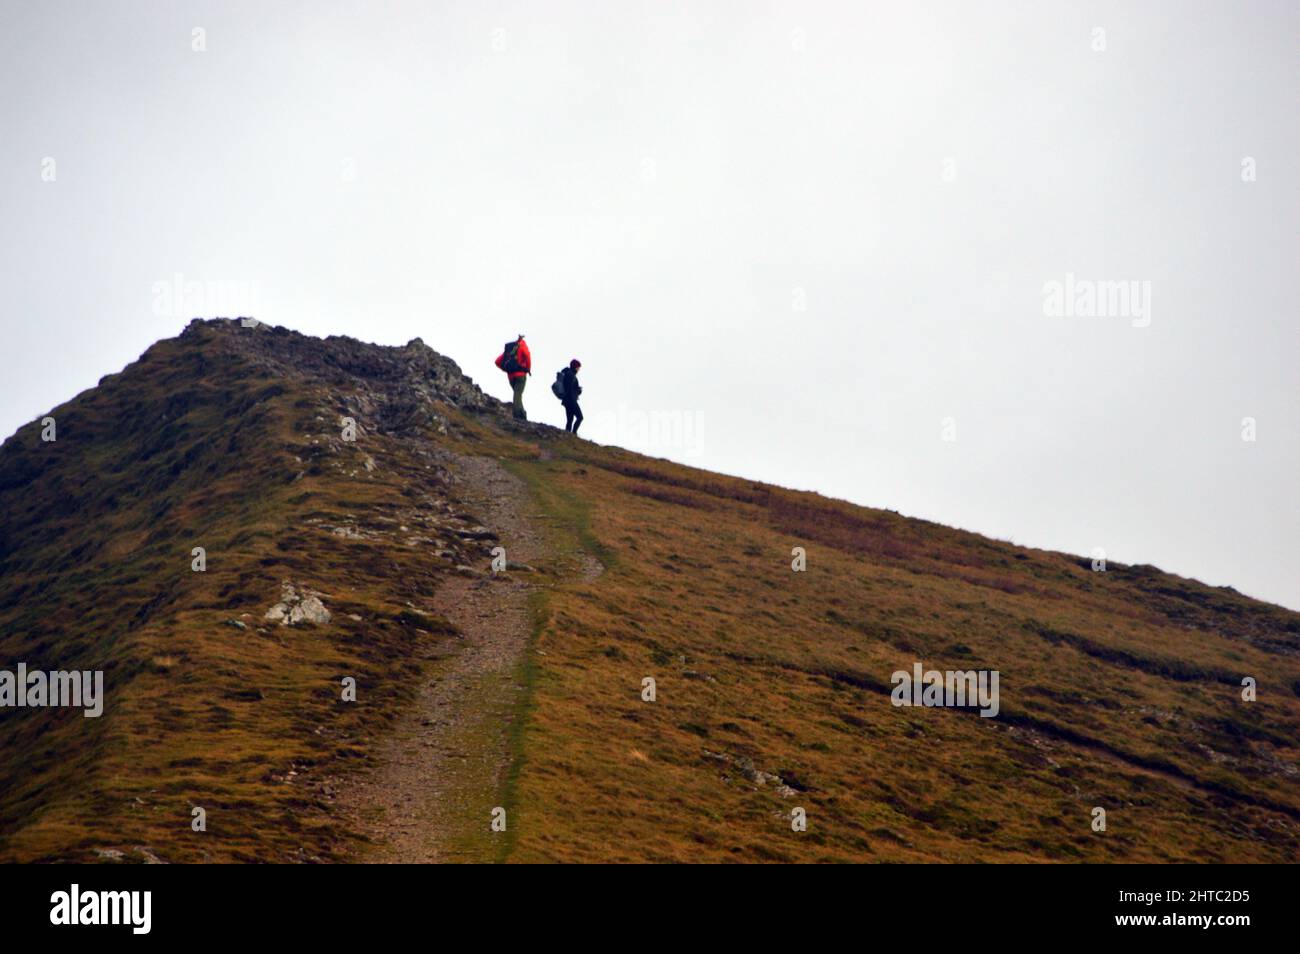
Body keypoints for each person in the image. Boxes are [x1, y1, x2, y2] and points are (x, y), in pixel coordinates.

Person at [495, 334, 531, 420]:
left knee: (517, 395)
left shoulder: (510, 349)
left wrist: (506, 369)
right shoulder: (523, 346)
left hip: (511, 377)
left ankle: (522, 414)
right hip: (521, 376)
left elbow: (497, 361)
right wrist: (528, 369)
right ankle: (518, 415)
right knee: (517, 395)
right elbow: (527, 356)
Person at [560, 359, 583, 434]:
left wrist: (577, 391)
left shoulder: (568, 373)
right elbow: (570, 389)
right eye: (578, 367)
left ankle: (567, 435)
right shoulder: (571, 375)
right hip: (571, 400)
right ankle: (574, 433)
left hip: (567, 401)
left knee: (570, 420)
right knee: (580, 417)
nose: (579, 369)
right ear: (575, 367)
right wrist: (577, 391)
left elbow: (570, 388)